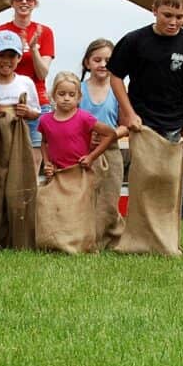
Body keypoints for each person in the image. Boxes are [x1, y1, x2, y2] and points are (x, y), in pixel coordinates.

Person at [107, 0, 183, 255]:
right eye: (167, 15)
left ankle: (166, 241)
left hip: (175, 123)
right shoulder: (135, 41)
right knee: (145, 180)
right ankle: (137, 241)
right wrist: (127, 112)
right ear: (154, 10)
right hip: (143, 123)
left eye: (179, 17)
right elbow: (115, 75)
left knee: (168, 182)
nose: (173, 22)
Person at [0, 29, 41, 250]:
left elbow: (37, 111)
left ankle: (19, 241)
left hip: (17, 135)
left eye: (11, 56)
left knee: (18, 185)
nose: (6, 61)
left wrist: (26, 111)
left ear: (18, 58)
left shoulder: (25, 82)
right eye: (1, 55)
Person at [0, 0, 55, 171]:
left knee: (32, 163)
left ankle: (28, 200)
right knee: (2, 160)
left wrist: (34, 49)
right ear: (11, 2)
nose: (24, 1)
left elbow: (43, 73)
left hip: (36, 102)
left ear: (35, 2)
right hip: (4, 100)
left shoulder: (45, 32)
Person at [79, 38, 129, 248]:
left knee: (109, 199)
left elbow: (126, 125)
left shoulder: (118, 91)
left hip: (111, 151)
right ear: (87, 62)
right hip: (81, 152)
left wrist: (109, 134)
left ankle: (108, 240)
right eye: (97, 59)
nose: (102, 64)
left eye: (107, 60)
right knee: (83, 199)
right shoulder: (78, 89)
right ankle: (83, 238)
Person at [40, 72, 117, 176]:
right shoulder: (45, 120)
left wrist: (91, 157)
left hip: (80, 173)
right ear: (53, 95)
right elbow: (44, 142)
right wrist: (46, 162)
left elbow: (110, 134)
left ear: (79, 97)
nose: (66, 98)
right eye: (61, 94)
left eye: (71, 95)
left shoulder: (85, 118)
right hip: (56, 174)